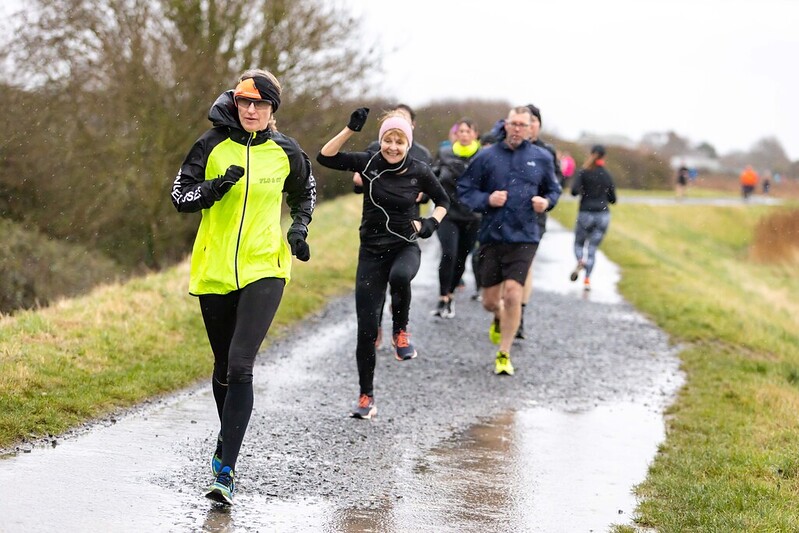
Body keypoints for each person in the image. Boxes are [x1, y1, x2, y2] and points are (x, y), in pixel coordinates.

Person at [170, 69, 316, 505]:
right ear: (235, 103)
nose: (252, 110)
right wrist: (215, 187)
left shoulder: (286, 150)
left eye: (261, 104)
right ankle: (226, 441)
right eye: (245, 102)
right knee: (221, 367)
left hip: (265, 267)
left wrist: (299, 230)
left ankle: (226, 470)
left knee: (240, 365)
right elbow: (180, 196)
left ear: (273, 109)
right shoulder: (210, 145)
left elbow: (304, 194)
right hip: (214, 269)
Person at [316, 108, 449, 419]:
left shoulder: (419, 169)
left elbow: (443, 201)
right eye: (388, 140)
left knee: (401, 277)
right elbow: (325, 157)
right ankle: (366, 396)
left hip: (404, 246)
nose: (393, 146)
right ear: (381, 141)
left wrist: (429, 224)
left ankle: (400, 332)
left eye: (399, 141)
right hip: (371, 253)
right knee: (365, 330)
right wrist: (350, 129)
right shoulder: (369, 162)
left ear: (408, 144)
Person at [458, 106, 561, 376]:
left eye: (522, 125)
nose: (517, 129)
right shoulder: (486, 156)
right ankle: (497, 315)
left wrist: (546, 202)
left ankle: (504, 353)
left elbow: (553, 188)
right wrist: (487, 200)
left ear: (530, 129)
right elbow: (465, 189)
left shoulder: (542, 158)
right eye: (513, 123)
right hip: (492, 235)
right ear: (505, 125)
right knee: (490, 301)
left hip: (525, 236)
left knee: (514, 293)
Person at [352, 104, 433, 348]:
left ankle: (398, 318)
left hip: (405, 227)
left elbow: (431, 191)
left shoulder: (421, 154)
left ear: (412, 126)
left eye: (403, 119)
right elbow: (358, 182)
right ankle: (374, 324)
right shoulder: (375, 149)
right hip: (375, 225)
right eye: (394, 118)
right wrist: (359, 179)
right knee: (373, 285)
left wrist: (417, 194)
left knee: (399, 276)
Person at [430, 118, 482, 319]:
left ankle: (451, 293)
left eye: (468, 131)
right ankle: (443, 296)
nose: (464, 134)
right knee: (448, 254)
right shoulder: (444, 153)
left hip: (472, 215)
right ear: (456, 134)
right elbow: (432, 176)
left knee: (461, 257)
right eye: (461, 131)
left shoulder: (483, 156)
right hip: (448, 213)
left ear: (475, 134)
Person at [569, 144, 617, 291]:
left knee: (579, 244)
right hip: (603, 215)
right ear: (604, 157)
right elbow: (613, 199)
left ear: (591, 154)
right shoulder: (607, 175)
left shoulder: (583, 172)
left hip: (585, 213)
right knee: (593, 248)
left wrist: (585, 190)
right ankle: (587, 280)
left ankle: (580, 260)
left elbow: (574, 191)